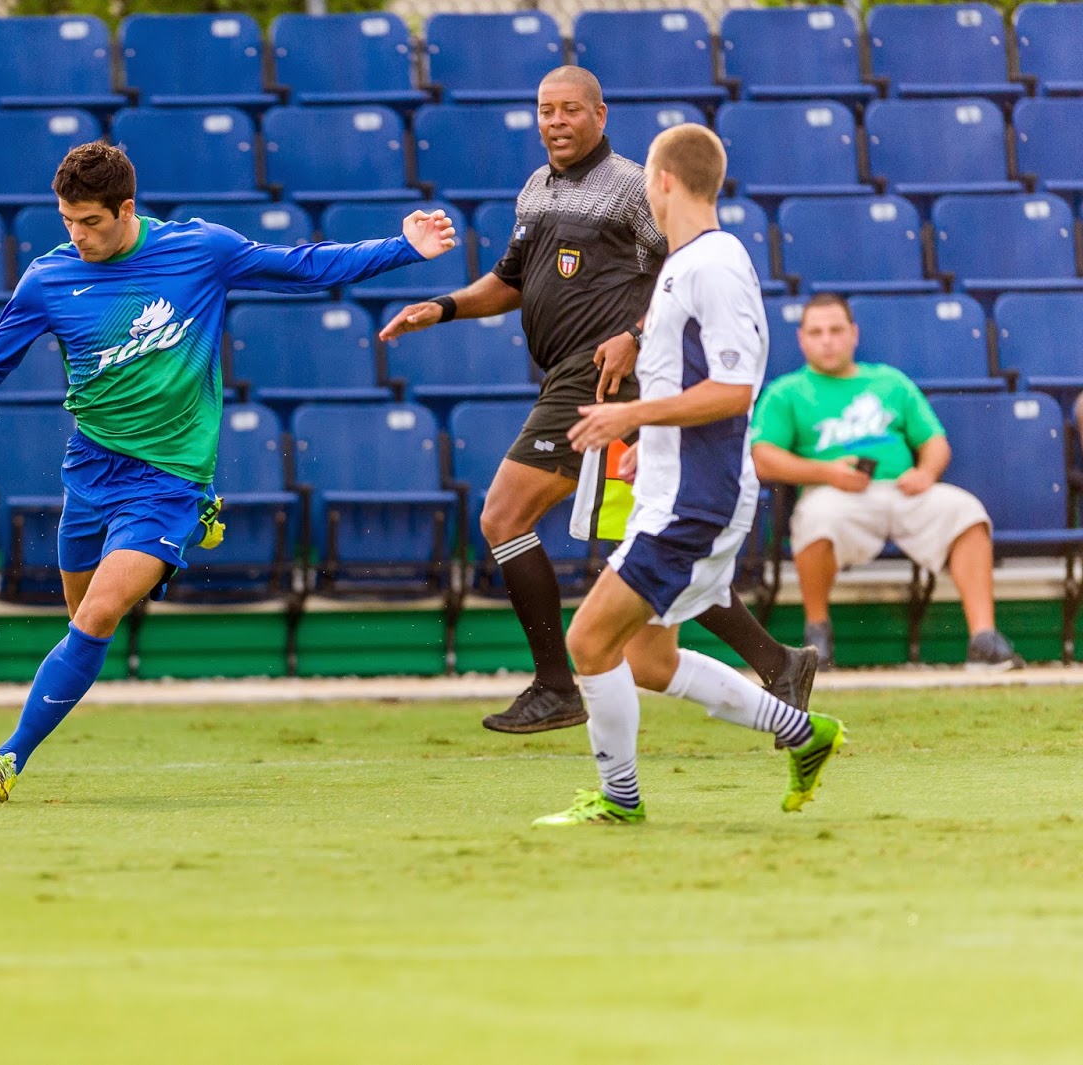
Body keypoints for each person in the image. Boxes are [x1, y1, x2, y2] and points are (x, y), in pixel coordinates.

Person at [0, 143, 458, 801]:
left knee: (98, 616)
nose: (76, 235)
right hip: (89, 473)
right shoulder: (49, 280)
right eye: (66, 221)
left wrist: (402, 246)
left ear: (125, 209)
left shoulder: (200, 251)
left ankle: (8, 757)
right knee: (84, 618)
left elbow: (303, 266)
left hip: (168, 481)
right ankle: (128, 597)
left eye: (89, 222)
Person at [380, 67, 816, 736]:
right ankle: (778, 661)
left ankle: (556, 683)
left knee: (504, 516)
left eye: (569, 110)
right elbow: (509, 281)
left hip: (603, 385)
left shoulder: (632, 187)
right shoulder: (535, 190)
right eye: (545, 110)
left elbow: (686, 268)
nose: (556, 121)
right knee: (640, 546)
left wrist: (637, 337)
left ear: (599, 115)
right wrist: (440, 307)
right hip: (568, 378)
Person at [535, 124, 844, 826]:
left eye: (647, 177)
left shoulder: (712, 264)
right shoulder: (691, 262)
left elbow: (736, 389)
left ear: (664, 180)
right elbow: (701, 377)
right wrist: (656, 436)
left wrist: (631, 416)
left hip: (694, 502)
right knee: (646, 660)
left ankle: (619, 801)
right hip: (679, 486)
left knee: (587, 640)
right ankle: (805, 731)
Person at [750, 293, 1023, 671]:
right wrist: (828, 473)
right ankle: (817, 632)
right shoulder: (786, 392)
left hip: (903, 490)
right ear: (802, 339)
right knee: (815, 520)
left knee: (966, 511)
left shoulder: (890, 381)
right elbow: (762, 457)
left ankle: (984, 638)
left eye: (835, 330)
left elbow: (935, 442)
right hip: (834, 495)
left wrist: (926, 472)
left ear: (854, 334)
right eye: (816, 332)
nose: (827, 339)